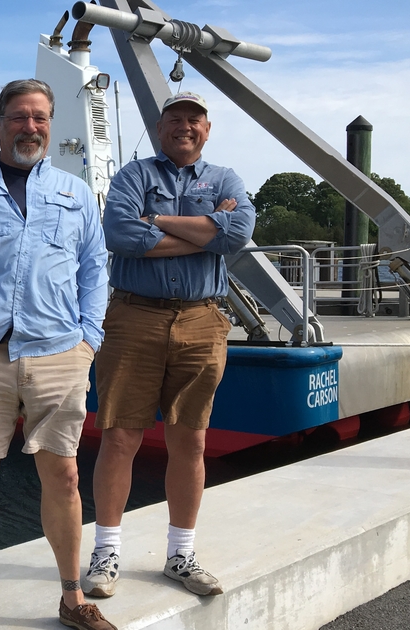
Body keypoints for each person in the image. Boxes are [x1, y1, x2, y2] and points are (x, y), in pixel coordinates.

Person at [0, 79, 114, 630]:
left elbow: (93, 268)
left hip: (59, 352)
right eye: (18, 117)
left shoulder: (75, 192)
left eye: (39, 118)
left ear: (50, 124)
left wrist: (88, 341)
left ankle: (72, 598)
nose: (29, 127)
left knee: (65, 478)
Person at [81, 91, 255, 600]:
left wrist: (155, 222)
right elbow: (118, 233)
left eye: (194, 120)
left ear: (207, 129)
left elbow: (238, 232)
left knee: (191, 440)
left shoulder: (226, 180)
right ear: (160, 129)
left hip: (203, 321)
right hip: (134, 317)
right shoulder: (134, 176)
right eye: (175, 119)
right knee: (119, 437)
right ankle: (106, 552)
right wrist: (207, 232)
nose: (185, 126)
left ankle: (181, 554)